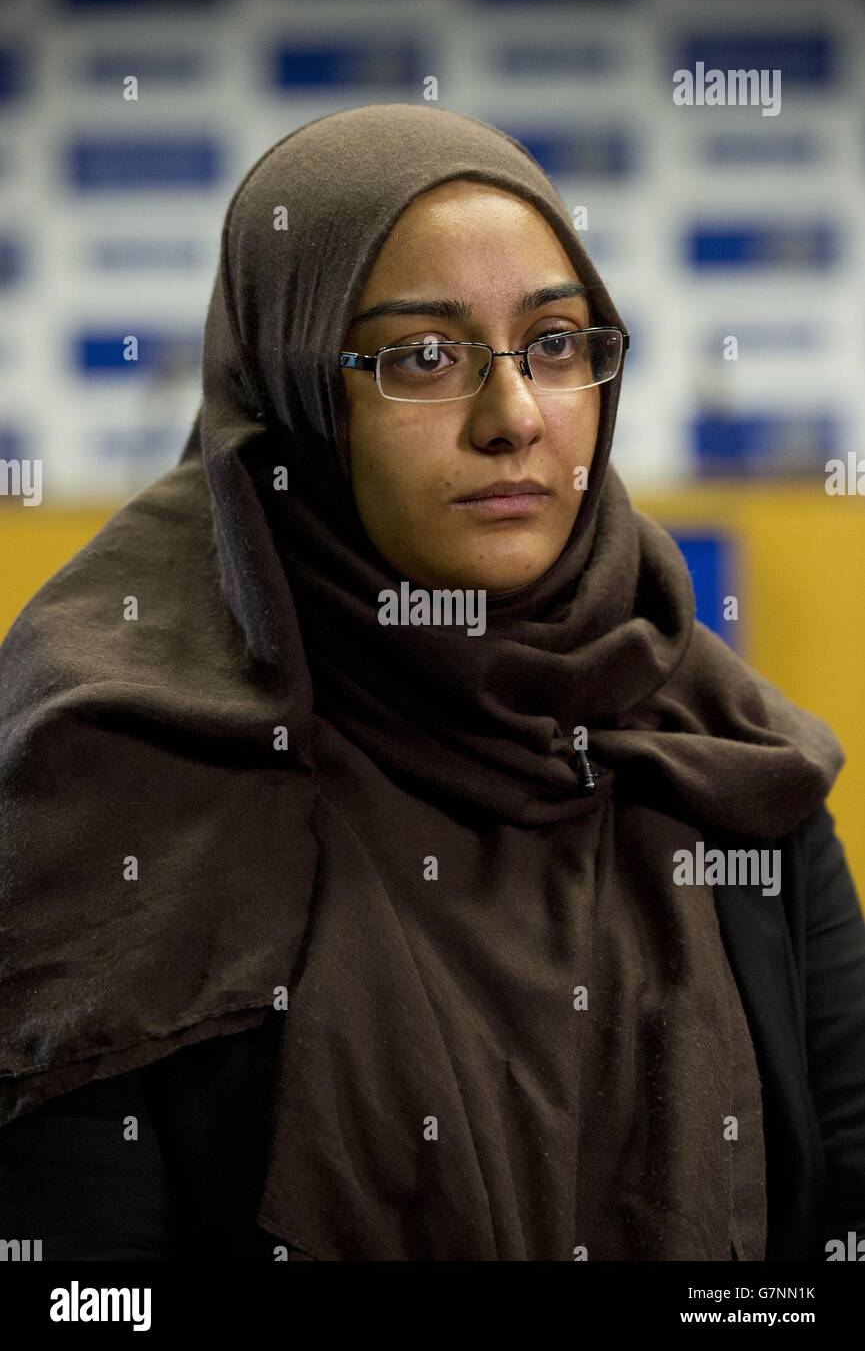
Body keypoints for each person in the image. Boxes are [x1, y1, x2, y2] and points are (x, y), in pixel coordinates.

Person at [0, 103, 863, 1263]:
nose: (512, 418)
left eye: (555, 343)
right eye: (421, 358)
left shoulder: (727, 757)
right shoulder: (113, 762)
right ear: (300, 392)